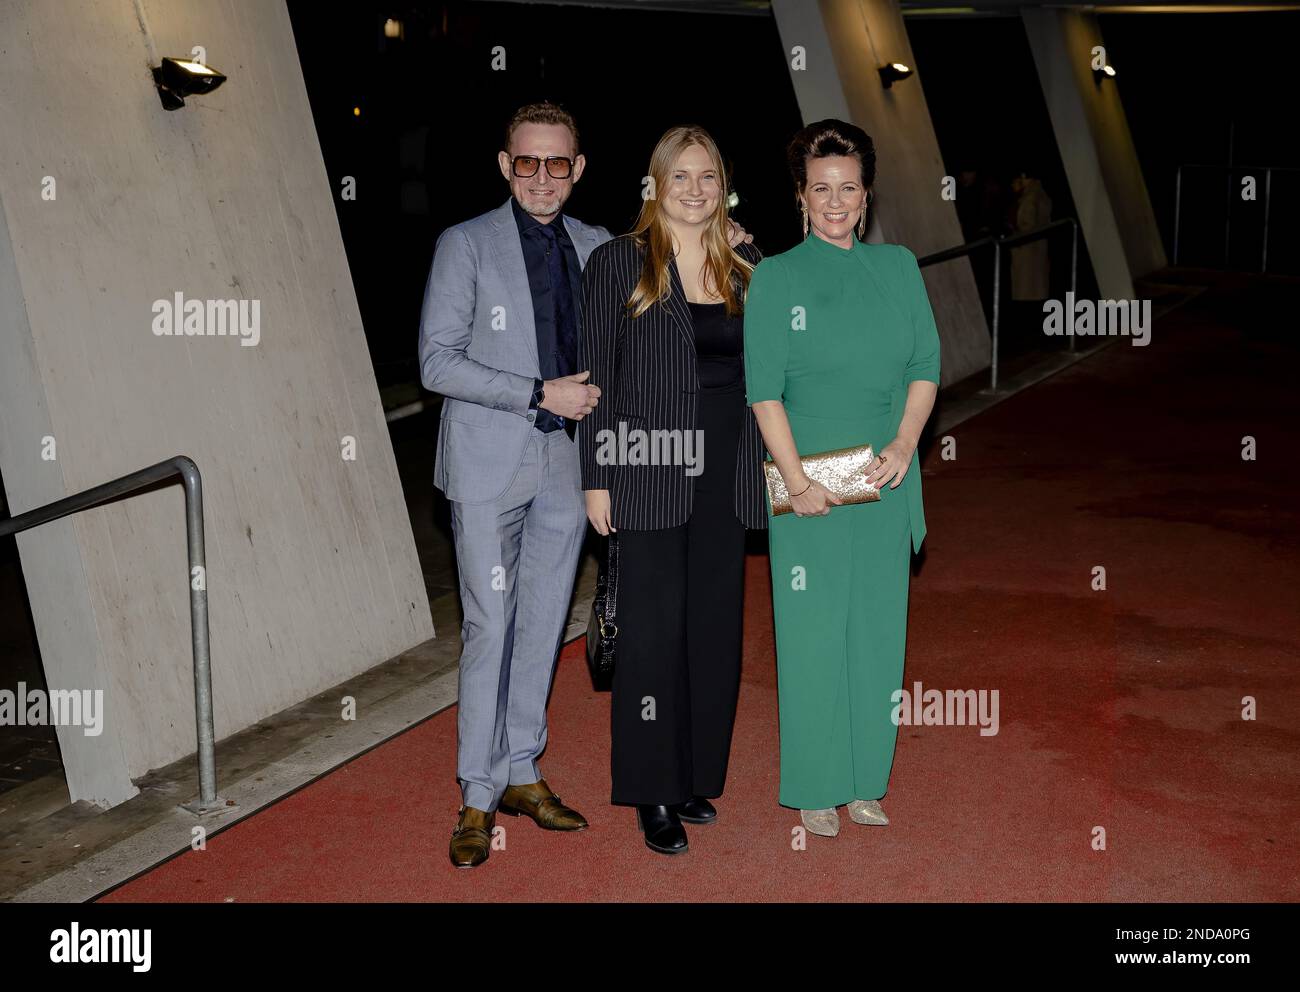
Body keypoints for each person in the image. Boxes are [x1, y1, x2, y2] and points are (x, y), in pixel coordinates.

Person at [419, 102, 609, 868]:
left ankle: (523, 771)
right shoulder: (465, 245)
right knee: (491, 626)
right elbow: (436, 361)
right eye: (526, 163)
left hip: (567, 466)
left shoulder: (598, 247)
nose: (541, 178)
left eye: (556, 163)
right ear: (505, 165)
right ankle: (475, 792)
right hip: (487, 465)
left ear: (578, 168)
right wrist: (538, 392)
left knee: (543, 623)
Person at [744, 119, 940, 838]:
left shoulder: (896, 269)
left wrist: (905, 442)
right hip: (810, 488)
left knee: (878, 635)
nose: (835, 202)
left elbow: (925, 365)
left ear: (865, 196)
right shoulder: (777, 277)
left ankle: (865, 781)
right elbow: (763, 389)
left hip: (885, 479)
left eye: (848, 189)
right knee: (813, 634)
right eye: (820, 189)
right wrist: (795, 482)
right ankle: (817, 785)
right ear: (801, 196)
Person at [579, 126, 767, 856]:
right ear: (655, 183)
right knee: (654, 635)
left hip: (729, 465)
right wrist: (597, 477)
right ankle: (652, 789)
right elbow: (596, 375)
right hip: (647, 464)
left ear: (725, 186)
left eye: (709, 177)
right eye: (680, 176)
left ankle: (692, 776)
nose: (696, 190)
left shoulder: (747, 262)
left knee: (714, 628)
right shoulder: (617, 262)